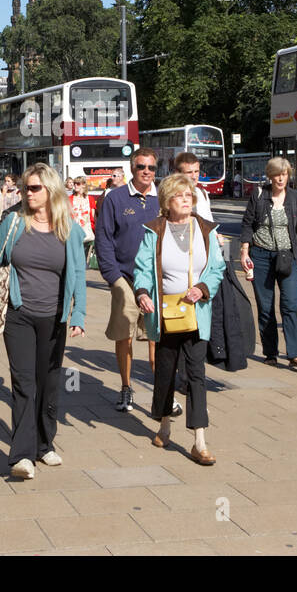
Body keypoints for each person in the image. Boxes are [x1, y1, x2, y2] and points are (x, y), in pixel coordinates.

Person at [0, 163, 87, 480]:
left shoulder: (69, 229)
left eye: (34, 188)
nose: (27, 193)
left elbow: (77, 275)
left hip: (55, 318)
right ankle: (21, 456)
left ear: (51, 191)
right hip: (18, 315)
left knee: (49, 385)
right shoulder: (13, 222)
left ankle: (43, 443)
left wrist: (78, 314)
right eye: (24, 188)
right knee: (24, 384)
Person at [132, 174, 226, 464]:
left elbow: (216, 267)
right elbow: (143, 268)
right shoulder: (154, 230)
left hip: (196, 313)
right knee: (164, 370)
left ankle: (200, 440)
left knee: (196, 374)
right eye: (180, 196)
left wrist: (202, 288)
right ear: (167, 201)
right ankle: (164, 424)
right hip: (164, 313)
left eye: (189, 195)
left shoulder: (205, 230)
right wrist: (143, 293)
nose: (186, 200)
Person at [95, 147, 180, 416]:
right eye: (141, 167)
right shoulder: (115, 199)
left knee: (158, 338)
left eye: (151, 168)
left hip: (158, 280)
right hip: (126, 279)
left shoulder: (163, 200)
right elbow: (104, 239)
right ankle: (126, 388)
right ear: (132, 169)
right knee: (125, 336)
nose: (146, 172)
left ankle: (164, 393)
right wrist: (113, 277)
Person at [239, 157, 297, 369]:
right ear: (270, 176)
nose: (281, 178)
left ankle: (296, 354)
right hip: (261, 256)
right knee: (265, 307)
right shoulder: (259, 195)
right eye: (277, 174)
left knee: (290, 304)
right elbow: (247, 225)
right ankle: (270, 351)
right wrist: (245, 252)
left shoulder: (295, 198)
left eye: (285, 174)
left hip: (288, 256)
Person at [173, 152, 213, 222]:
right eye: (189, 172)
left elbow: (209, 222)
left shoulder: (202, 194)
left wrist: (214, 233)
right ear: (177, 173)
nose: (194, 176)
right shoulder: (170, 196)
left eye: (196, 171)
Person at [68, 176, 96, 261]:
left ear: (83, 185)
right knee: (74, 257)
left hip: (87, 231)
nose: (75, 185)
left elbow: (93, 216)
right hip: (74, 231)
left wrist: (94, 229)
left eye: (77, 183)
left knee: (84, 258)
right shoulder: (69, 199)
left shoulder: (90, 199)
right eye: (74, 183)